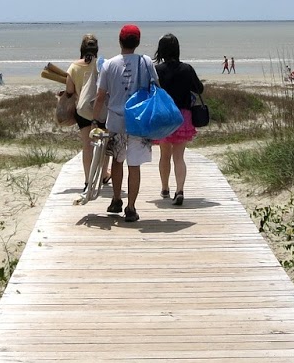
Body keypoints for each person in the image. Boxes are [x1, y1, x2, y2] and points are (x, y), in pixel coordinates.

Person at [93, 23, 154, 223]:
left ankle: (117, 199)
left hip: (116, 121)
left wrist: (96, 120)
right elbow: (156, 89)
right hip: (139, 122)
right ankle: (131, 207)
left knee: (117, 161)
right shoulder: (146, 62)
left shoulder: (109, 64)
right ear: (137, 42)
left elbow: (101, 96)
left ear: (120, 41)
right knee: (134, 165)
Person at [153, 33, 204, 206]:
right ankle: (179, 190)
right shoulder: (187, 69)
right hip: (183, 115)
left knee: (164, 155)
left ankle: (165, 188)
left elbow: (150, 91)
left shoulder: (157, 70)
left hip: (164, 115)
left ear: (161, 50)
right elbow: (200, 89)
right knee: (179, 157)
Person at [65, 33, 104, 188]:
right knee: (102, 144)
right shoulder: (102, 64)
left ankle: (88, 180)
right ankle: (101, 176)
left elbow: (69, 90)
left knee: (87, 145)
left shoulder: (74, 67)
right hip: (99, 109)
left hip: (82, 110)